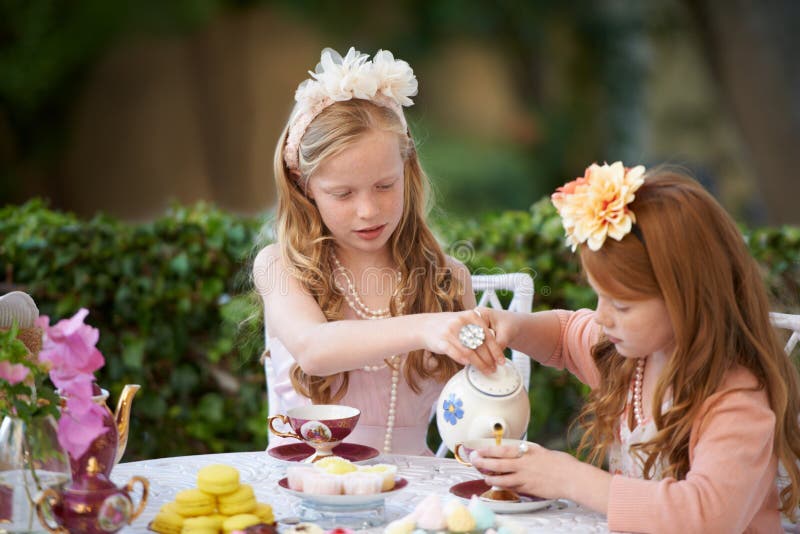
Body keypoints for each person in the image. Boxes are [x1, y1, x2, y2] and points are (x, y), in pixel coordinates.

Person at [465, 162, 800, 532]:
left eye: (621, 305)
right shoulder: (626, 358)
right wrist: (515, 327)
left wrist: (571, 479)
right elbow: (564, 334)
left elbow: (705, 516)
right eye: (599, 296)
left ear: (687, 299)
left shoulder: (735, 400)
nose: (602, 317)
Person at [253, 47, 504, 456]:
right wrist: (427, 328)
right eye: (343, 194)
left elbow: (474, 408)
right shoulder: (282, 266)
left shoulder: (447, 278)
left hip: (414, 498)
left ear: (407, 172)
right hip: (306, 491)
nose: (368, 210)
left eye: (385, 186)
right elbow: (315, 350)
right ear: (305, 187)